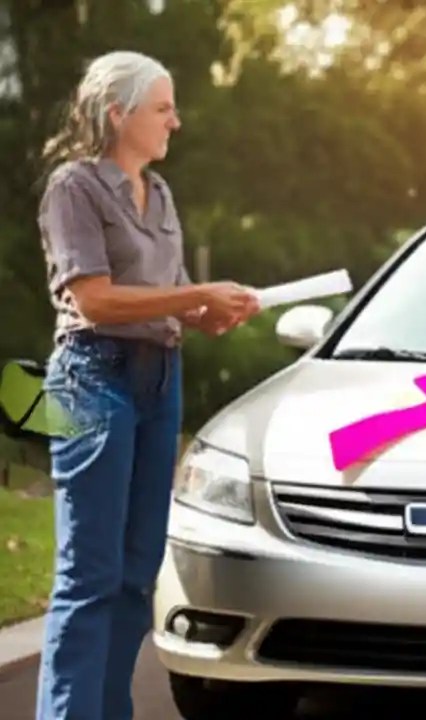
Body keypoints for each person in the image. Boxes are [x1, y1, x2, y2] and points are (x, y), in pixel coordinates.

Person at [34, 50, 260, 719]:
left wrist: (209, 310)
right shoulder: (72, 188)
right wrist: (192, 294)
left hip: (159, 383)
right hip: (90, 382)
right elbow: (97, 301)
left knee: (136, 577)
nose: (176, 122)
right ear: (118, 114)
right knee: (91, 576)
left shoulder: (158, 195)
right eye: (163, 108)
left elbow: (167, 298)